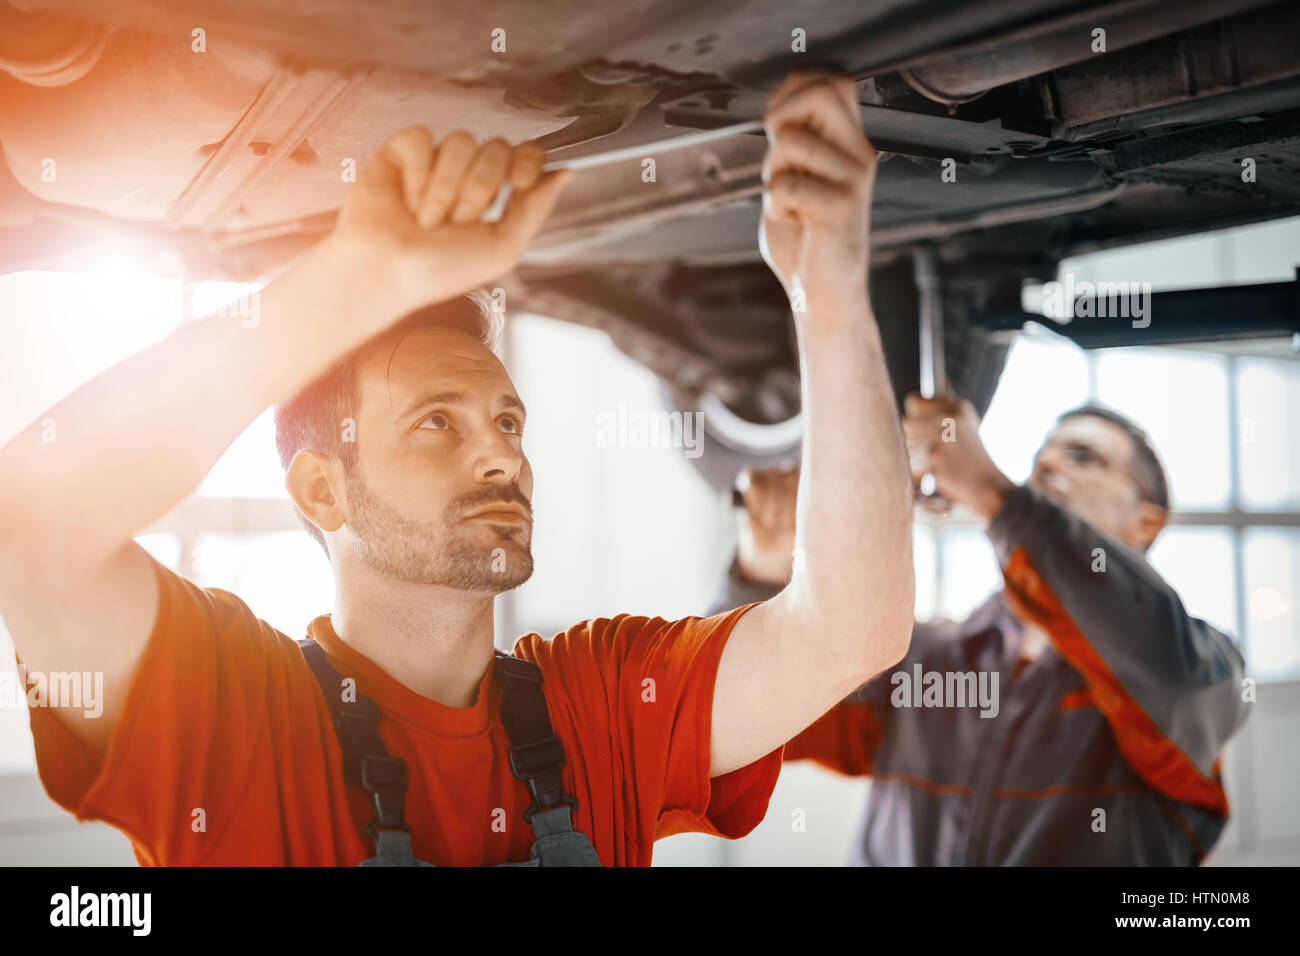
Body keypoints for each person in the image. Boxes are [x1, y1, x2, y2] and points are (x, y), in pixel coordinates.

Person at [0, 72, 915, 866]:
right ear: (322, 489)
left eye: (508, 420)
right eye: (435, 423)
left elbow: (851, 629)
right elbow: (33, 522)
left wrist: (830, 296)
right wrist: (357, 276)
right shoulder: (234, 719)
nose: (501, 453)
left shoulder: (604, 698)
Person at [709, 396, 1250, 865]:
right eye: (1041, 454)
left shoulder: (1202, 669)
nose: (1045, 466)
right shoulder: (923, 659)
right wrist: (765, 562)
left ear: (1146, 523)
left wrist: (996, 494)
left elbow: (1172, 677)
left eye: (1083, 456)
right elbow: (737, 717)